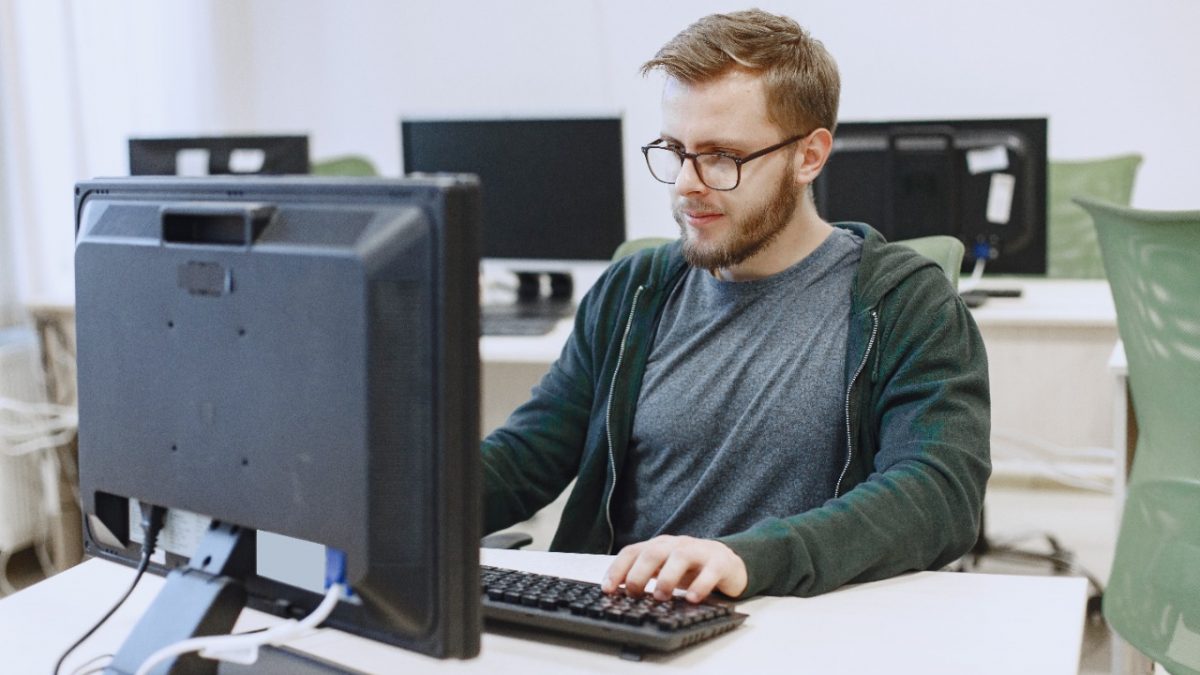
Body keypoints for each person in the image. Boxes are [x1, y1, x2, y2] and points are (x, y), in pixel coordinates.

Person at [480, 9, 990, 603]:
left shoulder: (904, 302)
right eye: (675, 150)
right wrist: (390, 500)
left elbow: (938, 494)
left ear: (810, 156)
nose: (685, 185)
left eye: (722, 156)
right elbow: (527, 456)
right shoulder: (633, 291)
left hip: (806, 626)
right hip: (629, 621)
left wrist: (745, 559)